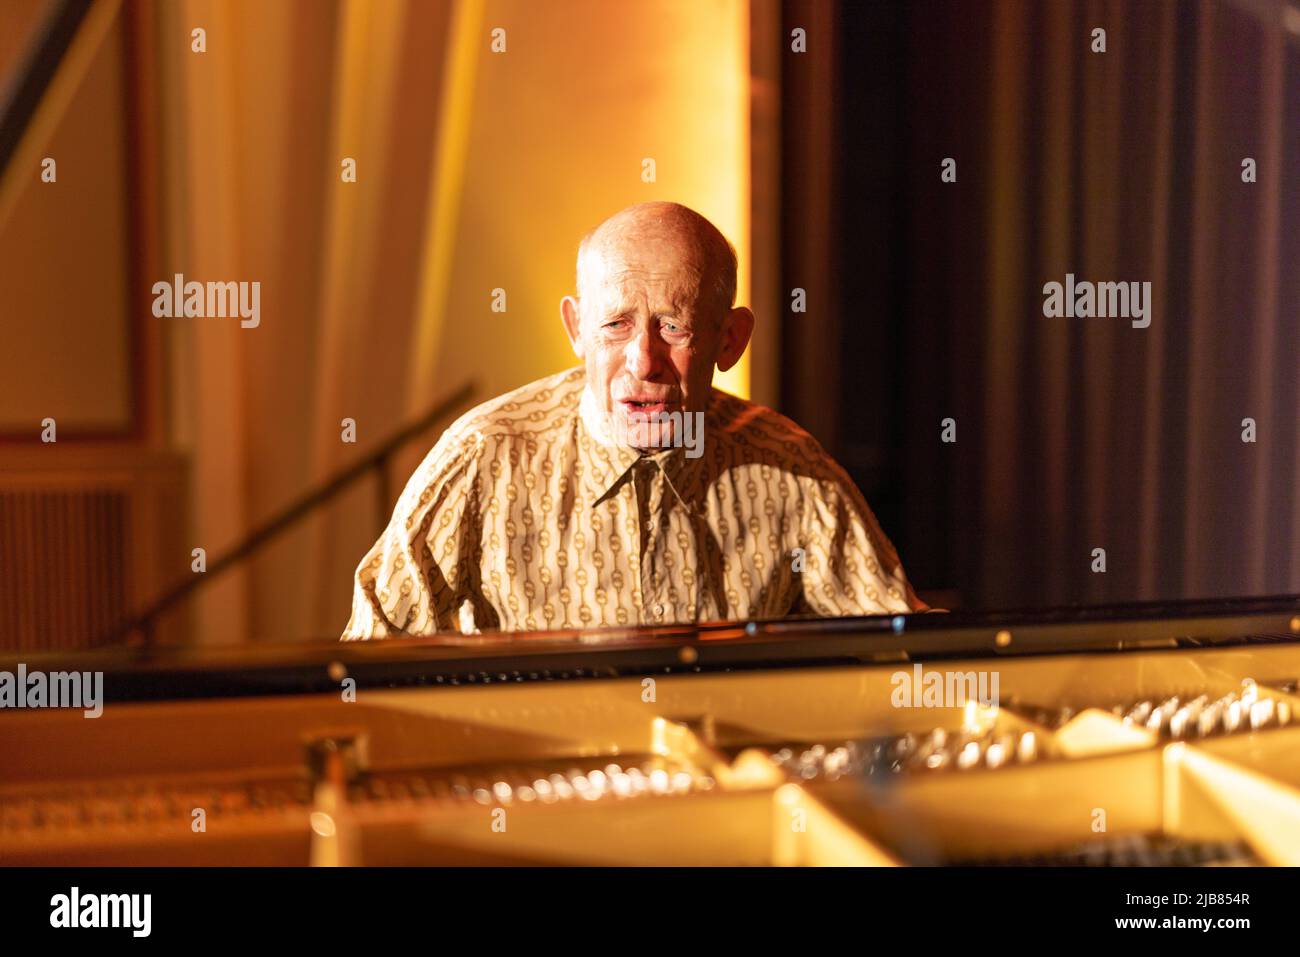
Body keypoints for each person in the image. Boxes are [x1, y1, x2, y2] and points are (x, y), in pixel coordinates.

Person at [342, 201, 925, 638]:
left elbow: (904, 652)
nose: (642, 361)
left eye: (673, 327)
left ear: (730, 339)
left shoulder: (789, 466)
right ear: (575, 329)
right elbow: (367, 667)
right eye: (615, 325)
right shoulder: (481, 458)